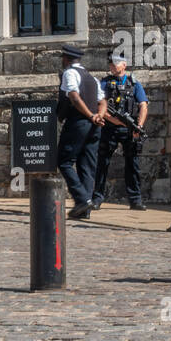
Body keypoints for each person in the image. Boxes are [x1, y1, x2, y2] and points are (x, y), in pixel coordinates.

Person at [92, 49, 150, 212]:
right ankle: (97, 198)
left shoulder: (134, 83)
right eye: (110, 63)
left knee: (133, 164)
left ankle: (135, 199)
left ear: (124, 65)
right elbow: (100, 103)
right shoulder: (105, 82)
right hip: (109, 128)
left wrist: (138, 125)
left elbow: (143, 105)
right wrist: (114, 120)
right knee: (102, 163)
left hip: (129, 130)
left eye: (115, 63)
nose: (112, 66)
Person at [56, 43, 106, 220]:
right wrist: (98, 116)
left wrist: (92, 116)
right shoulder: (92, 78)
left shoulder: (70, 73)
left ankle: (82, 199)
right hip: (94, 126)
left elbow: (74, 97)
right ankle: (84, 209)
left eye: (63, 57)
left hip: (79, 123)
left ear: (67, 58)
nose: (62, 60)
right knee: (87, 166)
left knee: (64, 161)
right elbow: (103, 101)